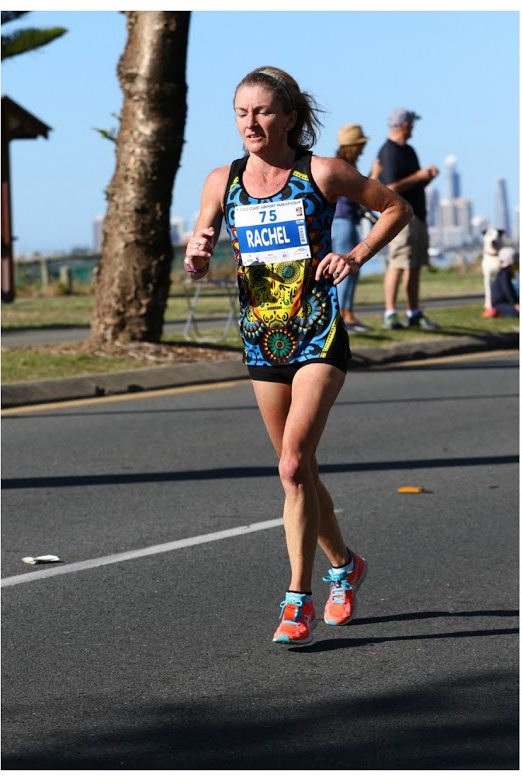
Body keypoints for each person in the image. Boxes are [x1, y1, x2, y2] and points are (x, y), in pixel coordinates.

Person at [182, 66, 411, 646]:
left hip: (317, 334)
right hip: (262, 337)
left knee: (290, 464)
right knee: (300, 471)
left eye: (262, 112)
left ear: (288, 117)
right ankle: (346, 566)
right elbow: (200, 248)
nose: (250, 123)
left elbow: (394, 208)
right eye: (241, 112)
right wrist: (197, 253)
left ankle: (296, 599)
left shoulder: (323, 172)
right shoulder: (222, 181)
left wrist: (355, 255)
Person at [372, 107, 440, 330]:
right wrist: (418, 176)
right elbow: (389, 187)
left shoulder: (409, 151)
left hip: (417, 215)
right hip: (401, 218)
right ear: (405, 125)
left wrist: (425, 178)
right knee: (398, 264)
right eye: (411, 124)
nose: (413, 128)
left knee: (414, 265)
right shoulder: (389, 152)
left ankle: (413, 312)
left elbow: (414, 183)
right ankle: (390, 313)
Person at [331, 123, 371, 333]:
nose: (364, 148)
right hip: (344, 222)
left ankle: (345, 314)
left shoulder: (339, 165)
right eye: (361, 144)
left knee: (346, 269)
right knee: (348, 269)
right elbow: (361, 191)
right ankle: (345, 316)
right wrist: (376, 173)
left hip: (340, 222)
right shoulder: (345, 167)